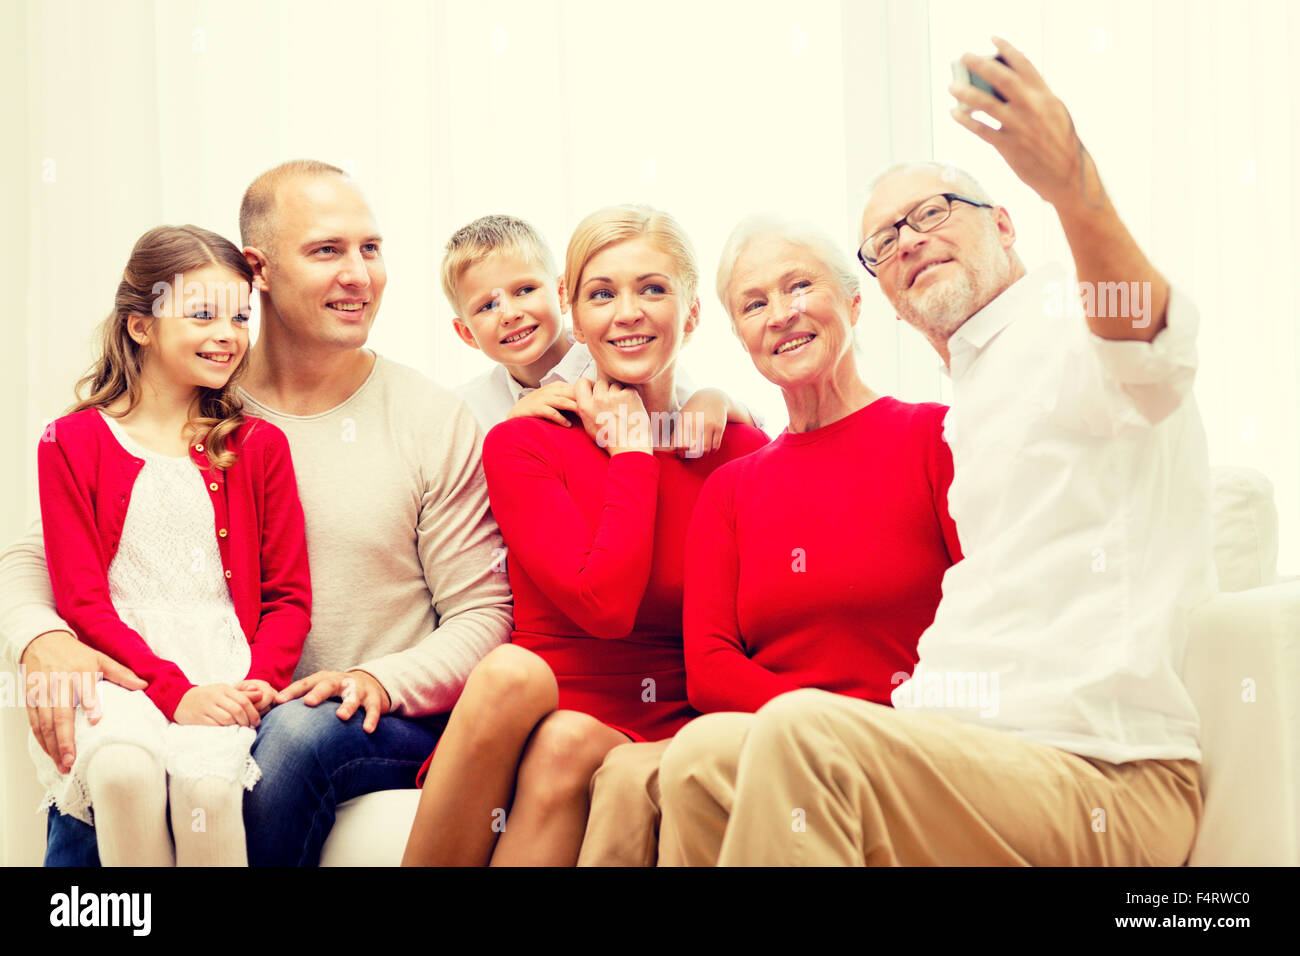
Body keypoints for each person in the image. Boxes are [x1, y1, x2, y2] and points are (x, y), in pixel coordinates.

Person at [658, 38, 1213, 866]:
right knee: (700, 765)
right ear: (877, 288)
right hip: (967, 754)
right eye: (884, 240)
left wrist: (1072, 185)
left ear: (1004, 222)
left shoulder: (1066, 324)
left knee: (803, 739)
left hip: (1104, 771)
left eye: (933, 212)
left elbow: (1155, 348)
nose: (908, 239)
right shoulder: (969, 407)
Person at [5, 159, 514, 866]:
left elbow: (484, 613)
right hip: (190, 686)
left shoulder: (429, 418)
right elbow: (44, 552)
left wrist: (379, 681)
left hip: (361, 716)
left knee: (287, 741)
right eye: (327, 251)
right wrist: (39, 641)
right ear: (259, 269)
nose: (360, 276)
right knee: (112, 753)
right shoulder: (190, 386)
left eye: (371, 249)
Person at [577, 219, 961, 866]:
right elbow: (711, 665)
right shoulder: (734, 486)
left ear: (854, 303)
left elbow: (989, 612)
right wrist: (809, 725)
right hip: (771, 739)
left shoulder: (935, 438)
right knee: (626, 776)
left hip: (905, 736)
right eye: (755, 304)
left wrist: (850, 727)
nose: (780, 315)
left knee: (691, 763)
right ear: (740, 335)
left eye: (799, 287)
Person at [402, 205, 770, 866]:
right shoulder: (521, 440)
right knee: (543, 711)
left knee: (569, 741)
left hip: (667, 716)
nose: (626, 312)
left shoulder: (734, 445)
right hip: (540, 706)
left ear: (690, 315)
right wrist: (633, 454)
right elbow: (602, 604)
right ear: (577, 316)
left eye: (652, 289)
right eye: (603, 294)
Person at [31, 225, 310, 866]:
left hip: (224, 670)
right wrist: (169, 690)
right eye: (203, 314)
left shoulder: (257, 448)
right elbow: (81, 601)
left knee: (207, 791)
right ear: (141, 326)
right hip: (123, 672)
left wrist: (255, 686)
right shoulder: (68, 442)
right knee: (125, 772)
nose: (228, 333)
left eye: (240, 316)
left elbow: (290, 596)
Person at [443, 213, 759, 449]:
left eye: (525, 290)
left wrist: (719, 399)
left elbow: (677, 429)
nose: (510, 314)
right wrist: (512, 429)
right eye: (487, 306)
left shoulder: (617, 356)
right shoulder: (466, 410)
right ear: (466, 333)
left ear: (562, 293)